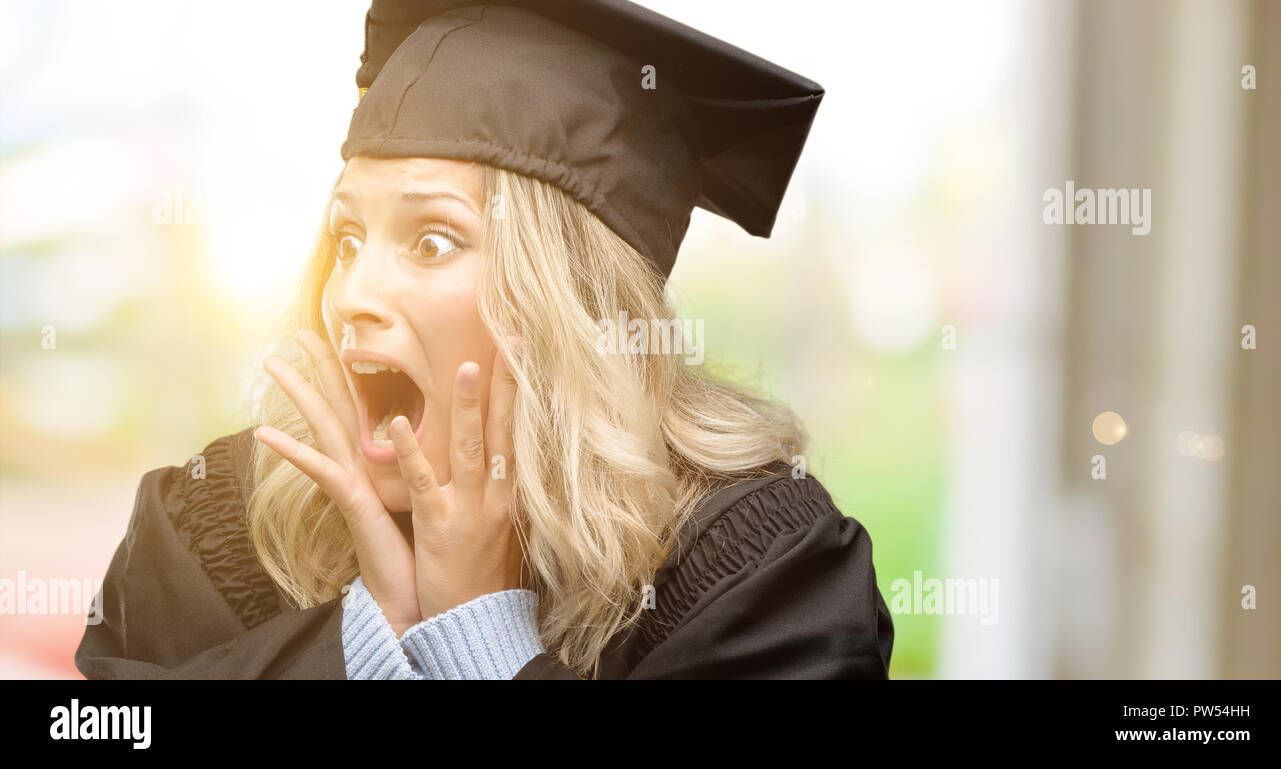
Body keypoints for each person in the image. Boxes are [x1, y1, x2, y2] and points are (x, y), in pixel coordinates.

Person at [76, 0, 894, 680]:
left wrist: (479, 637)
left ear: (572, 302)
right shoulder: (223, 526)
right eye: (349, 238)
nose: (351, 293)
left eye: (432, 241)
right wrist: (370, 642)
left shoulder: (762, 576)